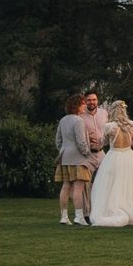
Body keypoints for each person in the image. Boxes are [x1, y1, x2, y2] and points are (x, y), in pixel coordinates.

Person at [89, 101, 133, 228]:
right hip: (128, 157)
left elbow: (103, 143)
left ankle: (113, 209)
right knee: (129, 185)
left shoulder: (110, 126)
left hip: (114, 156)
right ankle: (129, 210)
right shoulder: (132, 125)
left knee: (111, 184)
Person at [54, 94, 93, 226]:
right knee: (78, 188)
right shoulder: (78, 121)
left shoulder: (63, 120)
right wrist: (88, 155)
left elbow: (58, 141)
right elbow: (81, 142)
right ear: (76, 106)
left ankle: (64, 217)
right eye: (82, 104)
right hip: (78, 158)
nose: (85, 106)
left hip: (65, 157)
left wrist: (63, 150)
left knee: (65, 186)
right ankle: (79, 216)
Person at [80, 89, 107, 219]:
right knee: (86, 185)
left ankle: (102, 210)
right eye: (89, 100)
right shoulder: (80, 116)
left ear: (98, 101)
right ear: (85, 101)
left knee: (104, 182)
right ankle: (86, 214)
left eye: (94, 100)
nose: (92, 102)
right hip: (87, 155)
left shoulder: (104, 113)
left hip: (102, 154)